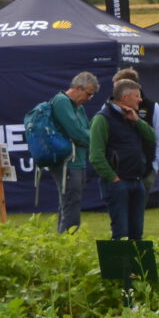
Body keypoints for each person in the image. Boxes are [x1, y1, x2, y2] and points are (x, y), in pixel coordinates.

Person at [89, 78, 157, 240]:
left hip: (137, 180)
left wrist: (137, 121)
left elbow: (152, 137)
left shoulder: (132, 117)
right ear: (125, 98)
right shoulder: (102, 118)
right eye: (137, 96)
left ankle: (136, 265)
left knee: (137, 233)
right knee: (121, 233)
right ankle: (121, 265)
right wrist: (114, 178)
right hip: (118, 183)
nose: (141, 99)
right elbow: (95, 155)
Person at [48, 73, 100, 233]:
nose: (90, 98)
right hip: (67, 164)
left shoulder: (78, 106)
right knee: (71, 208)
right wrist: (93, 141)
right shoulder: (62, 102)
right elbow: (77, 132)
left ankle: (61, 245)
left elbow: (86, 131)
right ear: (78, 88)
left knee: (69, 205)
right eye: (89, 94)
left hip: (77, 161)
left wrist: (85, 137)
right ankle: (67, 246)